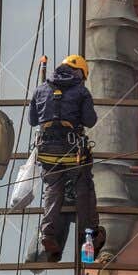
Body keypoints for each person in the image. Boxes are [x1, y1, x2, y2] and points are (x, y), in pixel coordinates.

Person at [28, 54, 103, 262]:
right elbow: (90, 121)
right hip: (72, 152)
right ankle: (88, 233)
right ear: (80, 72)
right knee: (83, 187)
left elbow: (32, 120)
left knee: (53, 190)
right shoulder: (81, 91)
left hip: (47, 152)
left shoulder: (41, 89)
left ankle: (48, 233)